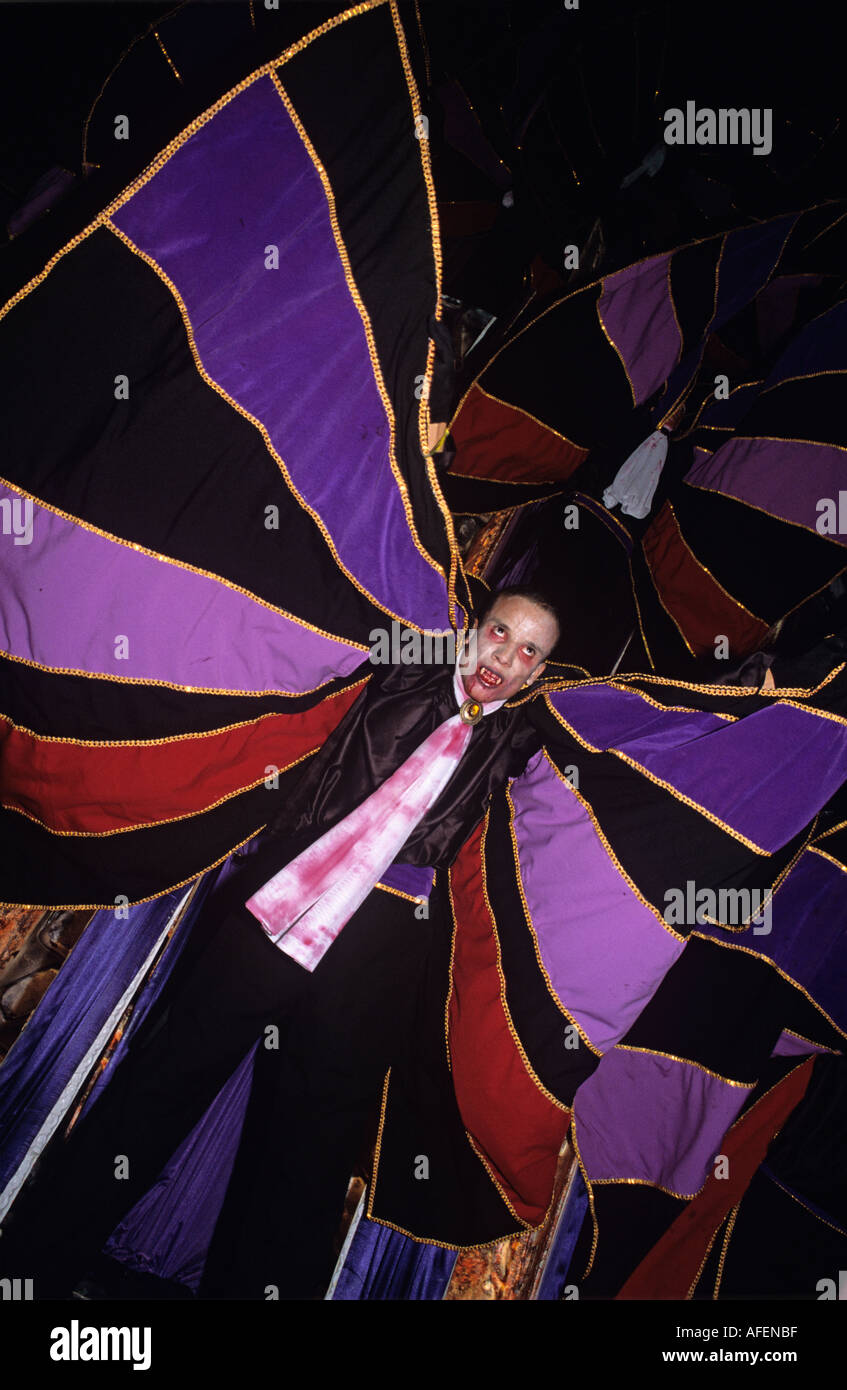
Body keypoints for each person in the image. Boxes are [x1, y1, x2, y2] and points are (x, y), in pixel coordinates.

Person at [0, 587, 560, 1300]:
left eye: (527, 652)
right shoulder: (399, 670)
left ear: (536, 673)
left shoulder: (519, 746)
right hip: (279, 900)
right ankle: (30, 1267)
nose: (504, 657)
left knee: (310, 1148)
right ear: (470, 633)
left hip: (376, 949)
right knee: (161, 1083)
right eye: (499, 633)